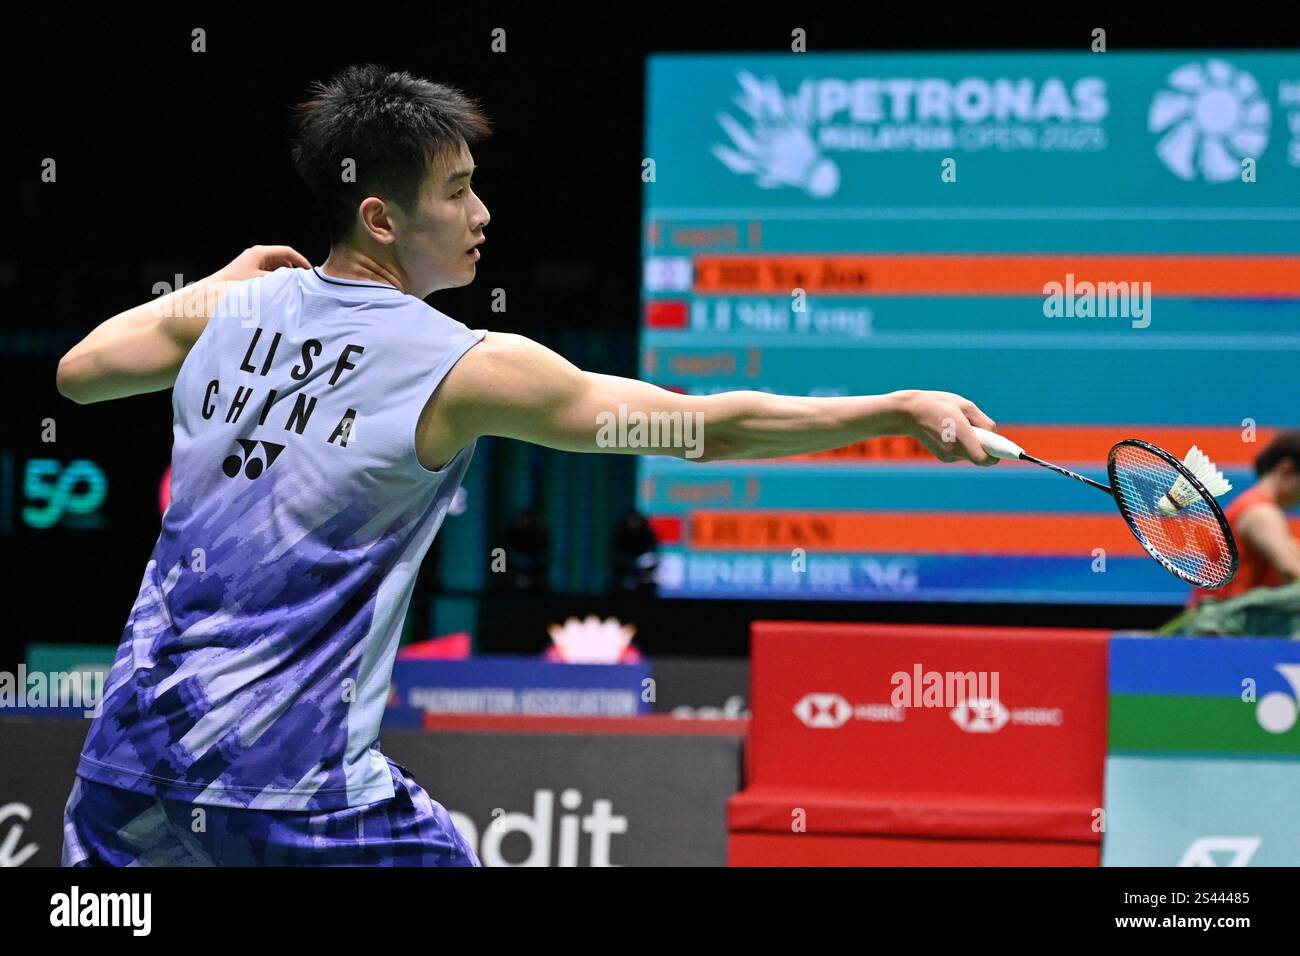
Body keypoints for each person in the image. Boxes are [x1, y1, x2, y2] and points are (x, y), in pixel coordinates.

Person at [54, 63, 998, 866]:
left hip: (124, 775)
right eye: (458, 189)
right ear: (381, 218)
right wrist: (891, 410)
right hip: (302, 798)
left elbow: (80, 373)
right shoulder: (462, 363)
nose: (482, 212)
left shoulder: (223, 314)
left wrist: (217, 286)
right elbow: (696, 427)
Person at [1188, 430, 1300, 608]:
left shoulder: (1254, 507)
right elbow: (1292, 571)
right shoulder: (1260, 513)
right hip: (1224, 627)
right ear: (1286, 470)